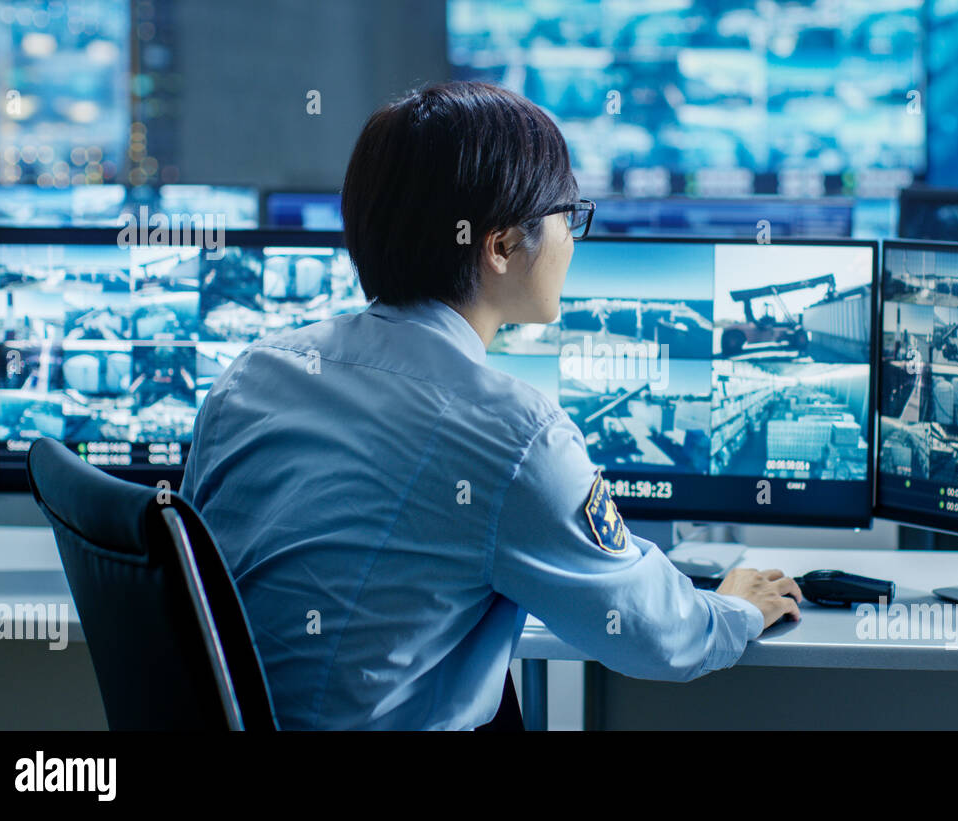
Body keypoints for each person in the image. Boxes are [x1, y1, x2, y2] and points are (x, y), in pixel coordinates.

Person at [180, 81, 802, 731]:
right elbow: (652, 632)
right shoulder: (512, 433)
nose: (572, 238)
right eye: (568, 214)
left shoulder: (251, 376)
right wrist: (734, 607)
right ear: (502, 246)